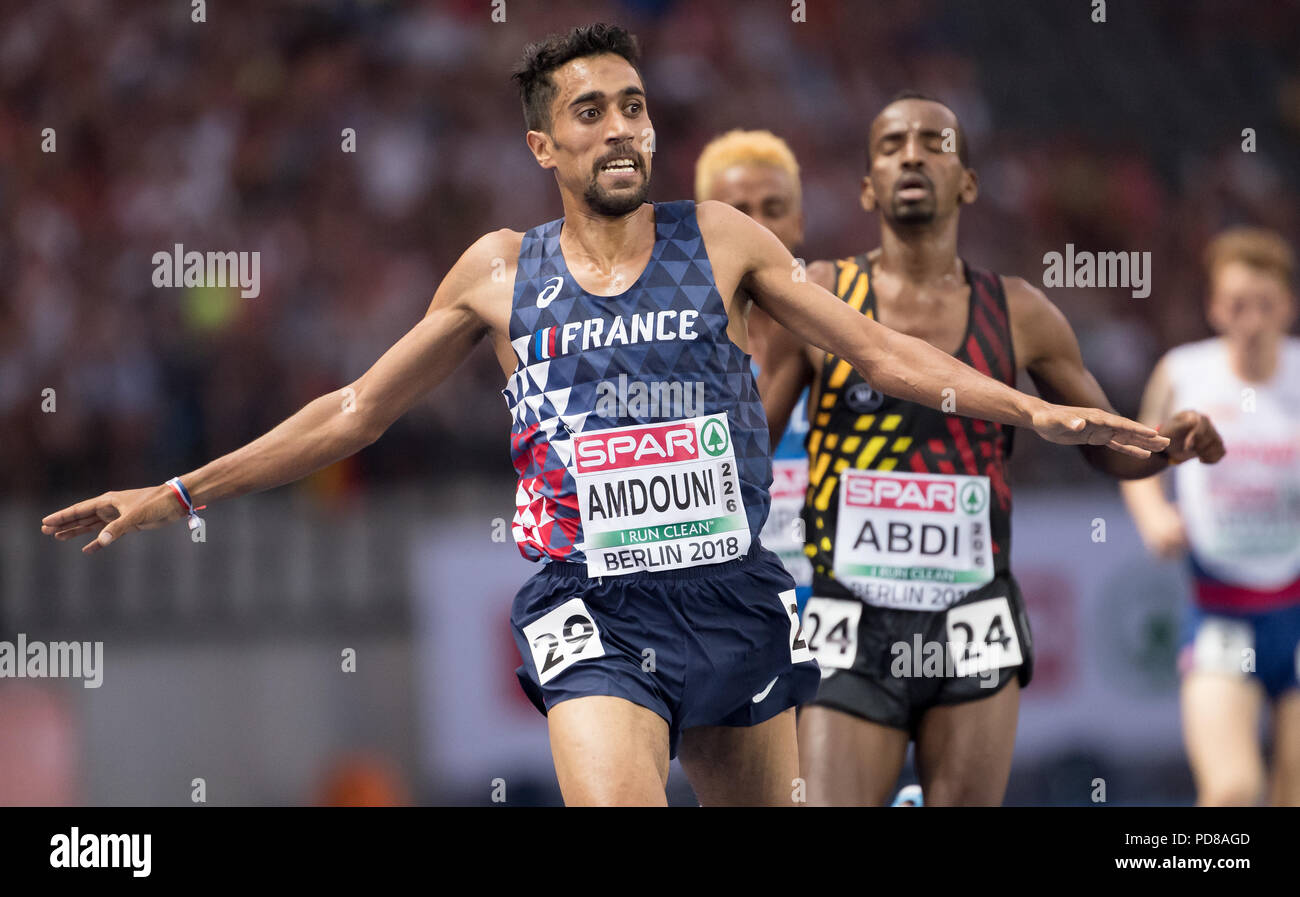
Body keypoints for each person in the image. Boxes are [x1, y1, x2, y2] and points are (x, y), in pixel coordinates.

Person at [40, 28, 1168, 807]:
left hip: (731, 598)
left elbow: (875, 349)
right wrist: (178, 493)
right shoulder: (496, 271)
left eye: (634, 106)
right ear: (545, 147)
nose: (623, 127)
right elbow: (352, 410)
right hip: (590, 607)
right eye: (592, 112)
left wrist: (1035, 410)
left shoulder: (724, 239)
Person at [757, 91, 1222, 806]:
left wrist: (1168, 448)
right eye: (890, 145)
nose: (911, 154)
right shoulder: (821, 295)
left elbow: (1103, 443)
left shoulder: (1022, 311)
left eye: (933, 142)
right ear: (866, 185)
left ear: (968, 181)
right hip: (845, 614)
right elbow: (753, 440)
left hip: (973, 616)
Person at [1122, 227, 1299, 806]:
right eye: (1237, 305)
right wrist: (1153, 515)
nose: (1251, 320)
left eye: (1265, 305)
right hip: (1220, 611)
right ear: (1214, 307)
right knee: (1232, 791)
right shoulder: (1184, 372)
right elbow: (1137, 459)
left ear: (1288, 306)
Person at [694, 129, 812, 613]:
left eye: (773, 208)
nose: (758, 228)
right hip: (729, 606)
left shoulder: (846, 342)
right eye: (738, 212)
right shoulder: (669, 352)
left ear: (800, 223)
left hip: (839, 605)